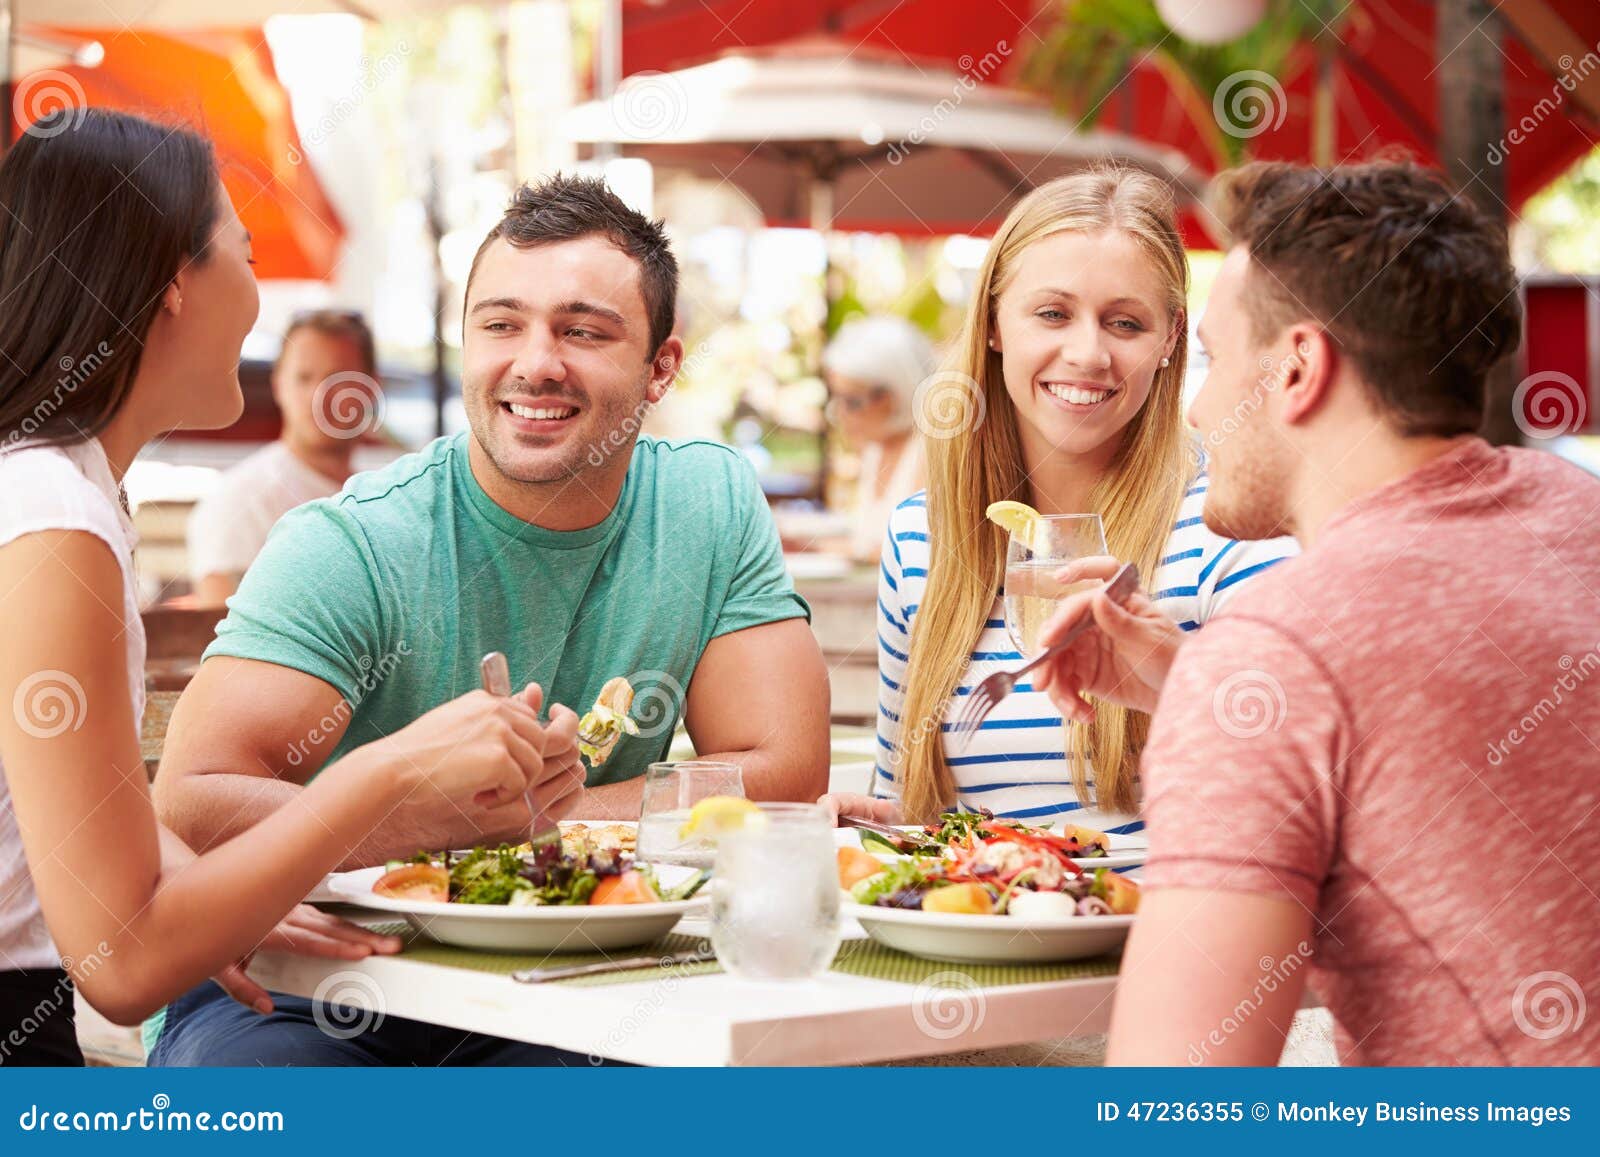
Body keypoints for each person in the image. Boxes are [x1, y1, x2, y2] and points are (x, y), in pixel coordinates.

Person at [147, 173, 830, 1066]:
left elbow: (778, 772)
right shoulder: (356, 540)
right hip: (303, 986)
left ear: (662, 366)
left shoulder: (705, 499)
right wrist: (441, 814)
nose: (535, 362)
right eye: (501, 324)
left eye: (582, 331)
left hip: (569, 984)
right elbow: (194, 800)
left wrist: (546, 817)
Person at [0, 110, 577, 1066]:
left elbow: (46, 811)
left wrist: (220, 883)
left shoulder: (47, 485)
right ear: (172, 283)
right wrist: (383, 773)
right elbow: (124, 959)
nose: (259, 294)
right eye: (245, 251)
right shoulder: (53, 520)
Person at [1035, 160, 1600, 1065]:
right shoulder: (1578, 518)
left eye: (1215, 361)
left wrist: (1236, 689)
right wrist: (1203, 692)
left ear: (1297, 368)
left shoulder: (1280, 650)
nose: (1200, 410)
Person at [823, 168, 1294, 832]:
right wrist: (876, 825)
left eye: (1125, 322)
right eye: (1052, 313)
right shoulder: (919, 536)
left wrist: (1176, 674)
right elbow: (921, 807)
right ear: (992, 324)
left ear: (1169, 340)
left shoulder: (1234, 528)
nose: (1087, 352)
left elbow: (1298, 789)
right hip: (973, 924)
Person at [188, 310, 381, 606]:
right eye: (304, 378)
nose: (320, 395)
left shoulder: (385, 495)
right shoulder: (240, 500)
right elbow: (221, 631)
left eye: (339, 379)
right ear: (279, 385)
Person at [821, 315, 935, 561]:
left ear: (894, 395)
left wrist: (834, 549)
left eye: (852, 401)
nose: (839, 413)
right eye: (836, 397)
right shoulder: (875, 448)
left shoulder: (929, 451)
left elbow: (914, 550)